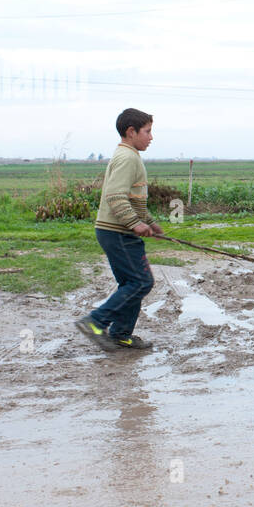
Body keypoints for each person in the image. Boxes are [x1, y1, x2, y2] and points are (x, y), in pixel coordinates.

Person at [75, 109, 163, 350]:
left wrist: (150, 221)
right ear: (131, 132)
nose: (151, 137)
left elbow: (133, 199)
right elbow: (116, 197)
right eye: (147, 131)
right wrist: (135, 223)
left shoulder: (130, 156)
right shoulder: (127, 158)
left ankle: (120, 334)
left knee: (132, 283)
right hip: (118, 232)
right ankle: (95, 321)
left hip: (118, 231)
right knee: (141, 282)